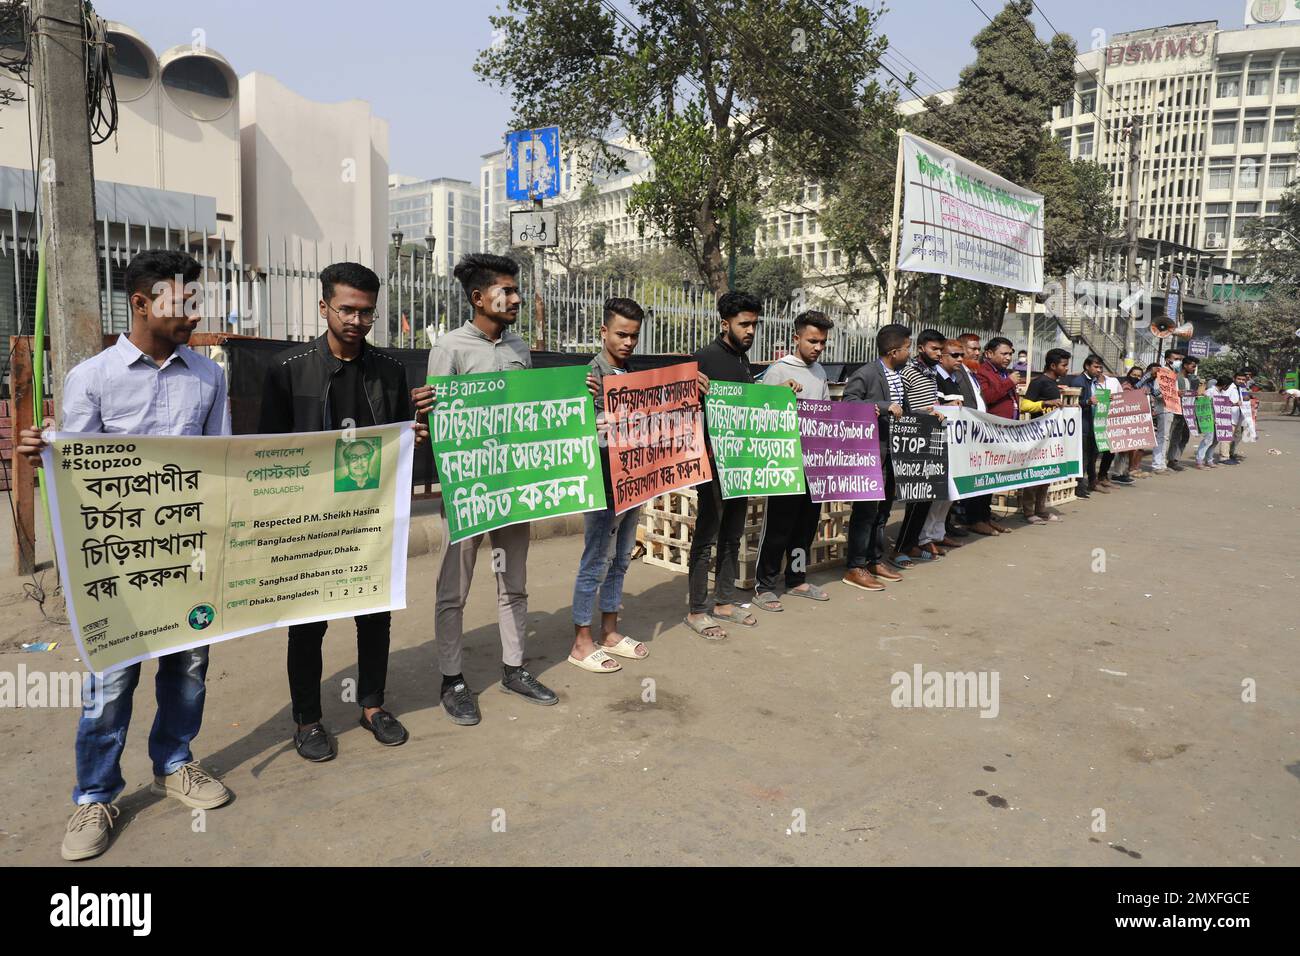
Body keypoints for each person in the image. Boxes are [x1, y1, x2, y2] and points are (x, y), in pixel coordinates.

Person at [15, 250, 233, 861]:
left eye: (198, 300)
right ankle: (96, 795)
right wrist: (45, 452)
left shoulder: (209, 376)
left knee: (187, 668)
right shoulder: (93, 378)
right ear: (141, 303)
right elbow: (75, 473)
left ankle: (175, 762)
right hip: (115, 567)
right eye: (181, 301)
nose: (195, 312)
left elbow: (220, 463)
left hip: (188, 556)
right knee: (110, 683)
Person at [259, 261, 427, 760]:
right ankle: (308, 721)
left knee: (374, 614)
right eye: (347, 309)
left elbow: (400, 440)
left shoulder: (391, 371)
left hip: (371, 518)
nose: (356, 320)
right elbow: (269, 452)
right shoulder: (288, 371)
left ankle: (372, 705)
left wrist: (413, 432)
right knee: (307, 624)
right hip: (309, 521)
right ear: (324, 307)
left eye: (366, 312)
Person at [411, 252, 558, 725]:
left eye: (516, 290)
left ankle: (515, 669)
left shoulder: (519, 349)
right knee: (454, 588)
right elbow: (436, 424)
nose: (515, 298)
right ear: (478, 297)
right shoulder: (449, 349)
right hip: (467, 489)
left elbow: (530, 412)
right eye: (507, 291)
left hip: (514, 486)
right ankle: (452, 679)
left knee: (514, 585)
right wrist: (424, 414)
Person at [686, 291, 795, 639]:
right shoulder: (703, 358)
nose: (750, 331)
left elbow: (746, 402)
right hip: (713, 464)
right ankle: (697, 609)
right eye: (743, 324)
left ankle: (724, 601)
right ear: (725, 324)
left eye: (754, 324)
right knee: (706, 537)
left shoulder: (744, 361)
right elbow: (682, 405)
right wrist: (689, 387)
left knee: (732, 535)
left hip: (742, 463)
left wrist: (778, 392)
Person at [567, 297, 657, 673]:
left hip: (633, 482)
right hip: (603, 483)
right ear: (603, 331)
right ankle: (581, 641)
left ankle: (610, 632)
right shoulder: (589, 377)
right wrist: (594, 410)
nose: (628, 342)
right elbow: (577, 433)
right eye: (621, 334)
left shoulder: (631, 375)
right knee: (596, 560)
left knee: (621, 559)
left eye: (634, 336)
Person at [753, 311, 833, 611]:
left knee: (805, 526)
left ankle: (796, 578)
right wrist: (777, 393)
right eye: (813, 340)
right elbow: (757, 407)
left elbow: (825, 412)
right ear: (796, 338)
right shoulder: (777, 370)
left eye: (823, 342)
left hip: (814, 464)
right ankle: (765, 585)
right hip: (784, 464)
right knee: (778, 526)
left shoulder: (820, 372)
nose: (818, 347)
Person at [840, 323, 910, 591]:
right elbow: (849, 403)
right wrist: (881, 406)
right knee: (866, 511)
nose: (909, 353)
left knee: (883, 511)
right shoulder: (866, 374)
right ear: (893, 351)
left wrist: (928, 413)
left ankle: (874, 560)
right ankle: (855, 566)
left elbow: (903, 409)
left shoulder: (898, 374)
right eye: (907, 348)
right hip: (870, 453)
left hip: (893, 452)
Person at [892, 328, 948, 565]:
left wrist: (936, 411)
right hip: (911, 439)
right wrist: (923, 413)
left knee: (926, 496)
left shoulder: (932, 373)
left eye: (940, 350)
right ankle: (900, 548)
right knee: (914, 498)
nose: (938, 353)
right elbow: (901, 405)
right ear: (921, 348)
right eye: (934, 349)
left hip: (930, 437)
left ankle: (912, 543)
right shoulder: (908, 372)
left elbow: (927, 401)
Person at [916, 339, 971, 556]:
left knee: (949, 493)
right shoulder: (935, 378)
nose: (960, 359)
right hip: (937, 443)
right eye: (954, 355)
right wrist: (945, 407)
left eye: (961, 355)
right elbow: (927, 407)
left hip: (955, 444)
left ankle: (938, 533)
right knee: (937, 493)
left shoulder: (955, 379)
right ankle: (925, 537)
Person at [972, 337, 1025, 533]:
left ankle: (985, 517)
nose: (1008, 357)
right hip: (988, 433)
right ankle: (975, 519)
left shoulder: (1003, 373)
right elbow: (987, 397)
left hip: (1004, 432)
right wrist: (1009, 383)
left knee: (993, 477)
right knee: (982, 477)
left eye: (1010, 354)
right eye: (1004, 353)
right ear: (989, 354)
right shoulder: (982, 372)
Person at [1020, 348, 1069, 523]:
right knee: (1034, 473)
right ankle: (1028, 511)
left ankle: (1041, 509)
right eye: (1064, 365)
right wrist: (1044, 403)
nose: (1067, 369)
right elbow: (1024, 405)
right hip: (1036, 435)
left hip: (1051, 437)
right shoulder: (1038, 382)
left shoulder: (1054, 383)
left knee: (1046, 474)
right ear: (1053, 365)